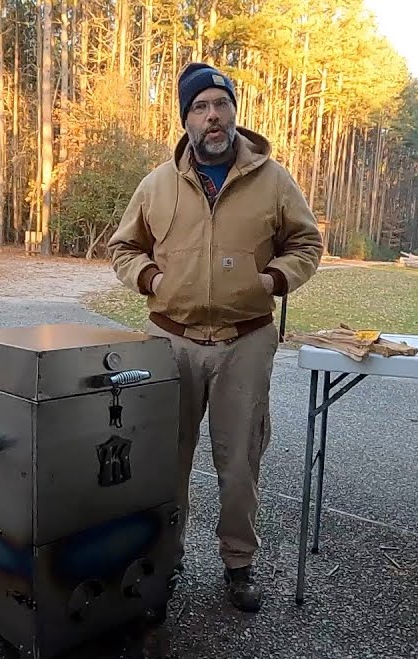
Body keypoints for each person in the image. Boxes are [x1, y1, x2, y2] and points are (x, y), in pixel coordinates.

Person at [106, 62, 323, 612]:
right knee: (166, 457)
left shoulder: (273, 180)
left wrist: (272, 279)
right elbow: (123, 248)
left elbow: (307, 245)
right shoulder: (156, 184)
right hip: (171, 339)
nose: (212, 116)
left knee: (241, 457)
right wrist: (152, 278)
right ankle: (166, 559)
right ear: (186, 120)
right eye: (199, 108)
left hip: (244, 340)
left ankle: (238, 564)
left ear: (234, 112)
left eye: (220, 105)